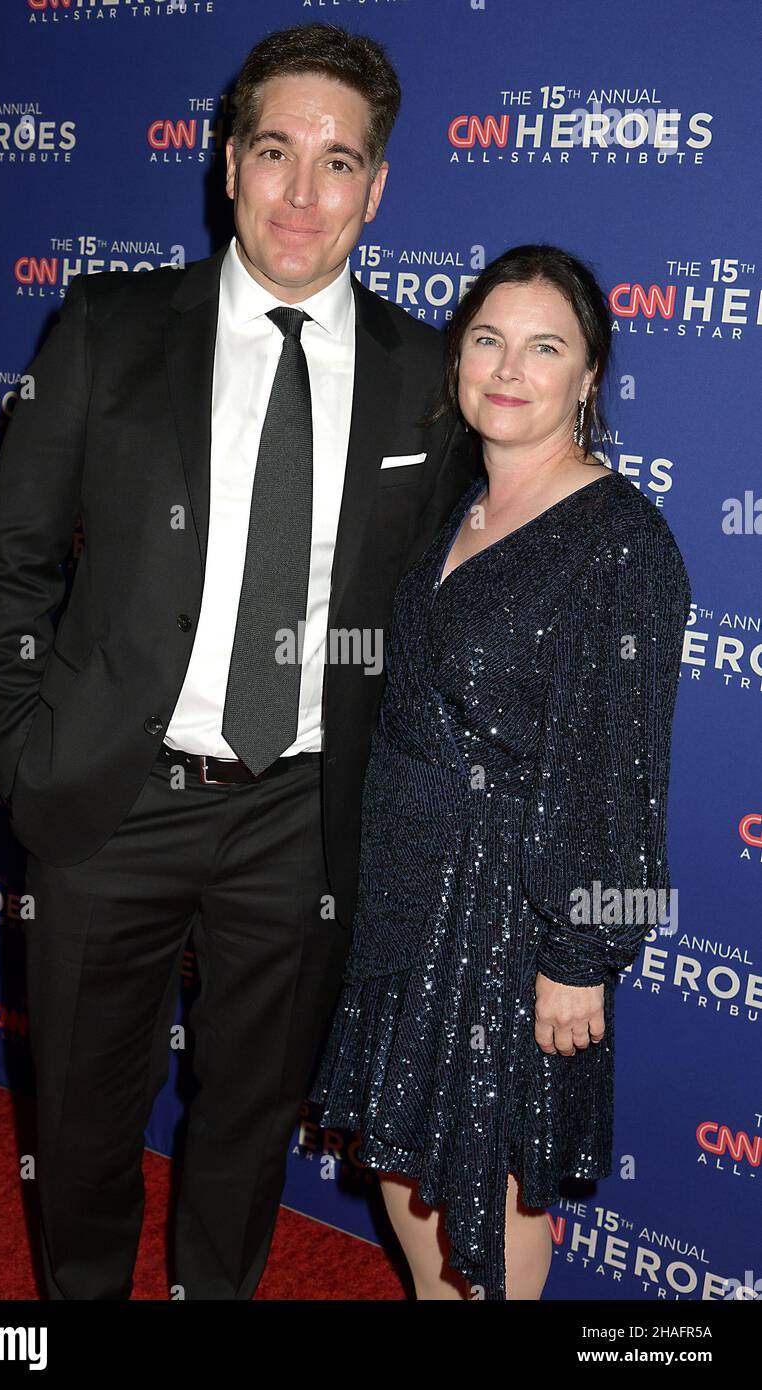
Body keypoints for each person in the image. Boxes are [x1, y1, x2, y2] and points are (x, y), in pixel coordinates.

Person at [0, 23, 473, 1300]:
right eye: (275, 152)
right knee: (82, 1119)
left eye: (339, 161)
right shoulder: (106, 325)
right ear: (226, 166)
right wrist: (33, 759)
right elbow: (8, 564)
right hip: (110, 801)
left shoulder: (425, 376)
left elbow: (436, 615)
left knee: (248, 1125)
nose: (304, 194)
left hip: (301, 819)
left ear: (378, 187)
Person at [309, 244, 692, 1300]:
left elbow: (624, 766)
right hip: (406, 895)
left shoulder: (621, 542)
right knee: (406, 1167)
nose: (507, 367)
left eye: (542, 346)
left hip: (506, 915)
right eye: (485, 339)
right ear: (455, 360)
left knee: (489, 1184)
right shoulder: (461, 507)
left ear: (587, 378)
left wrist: (580, 950)